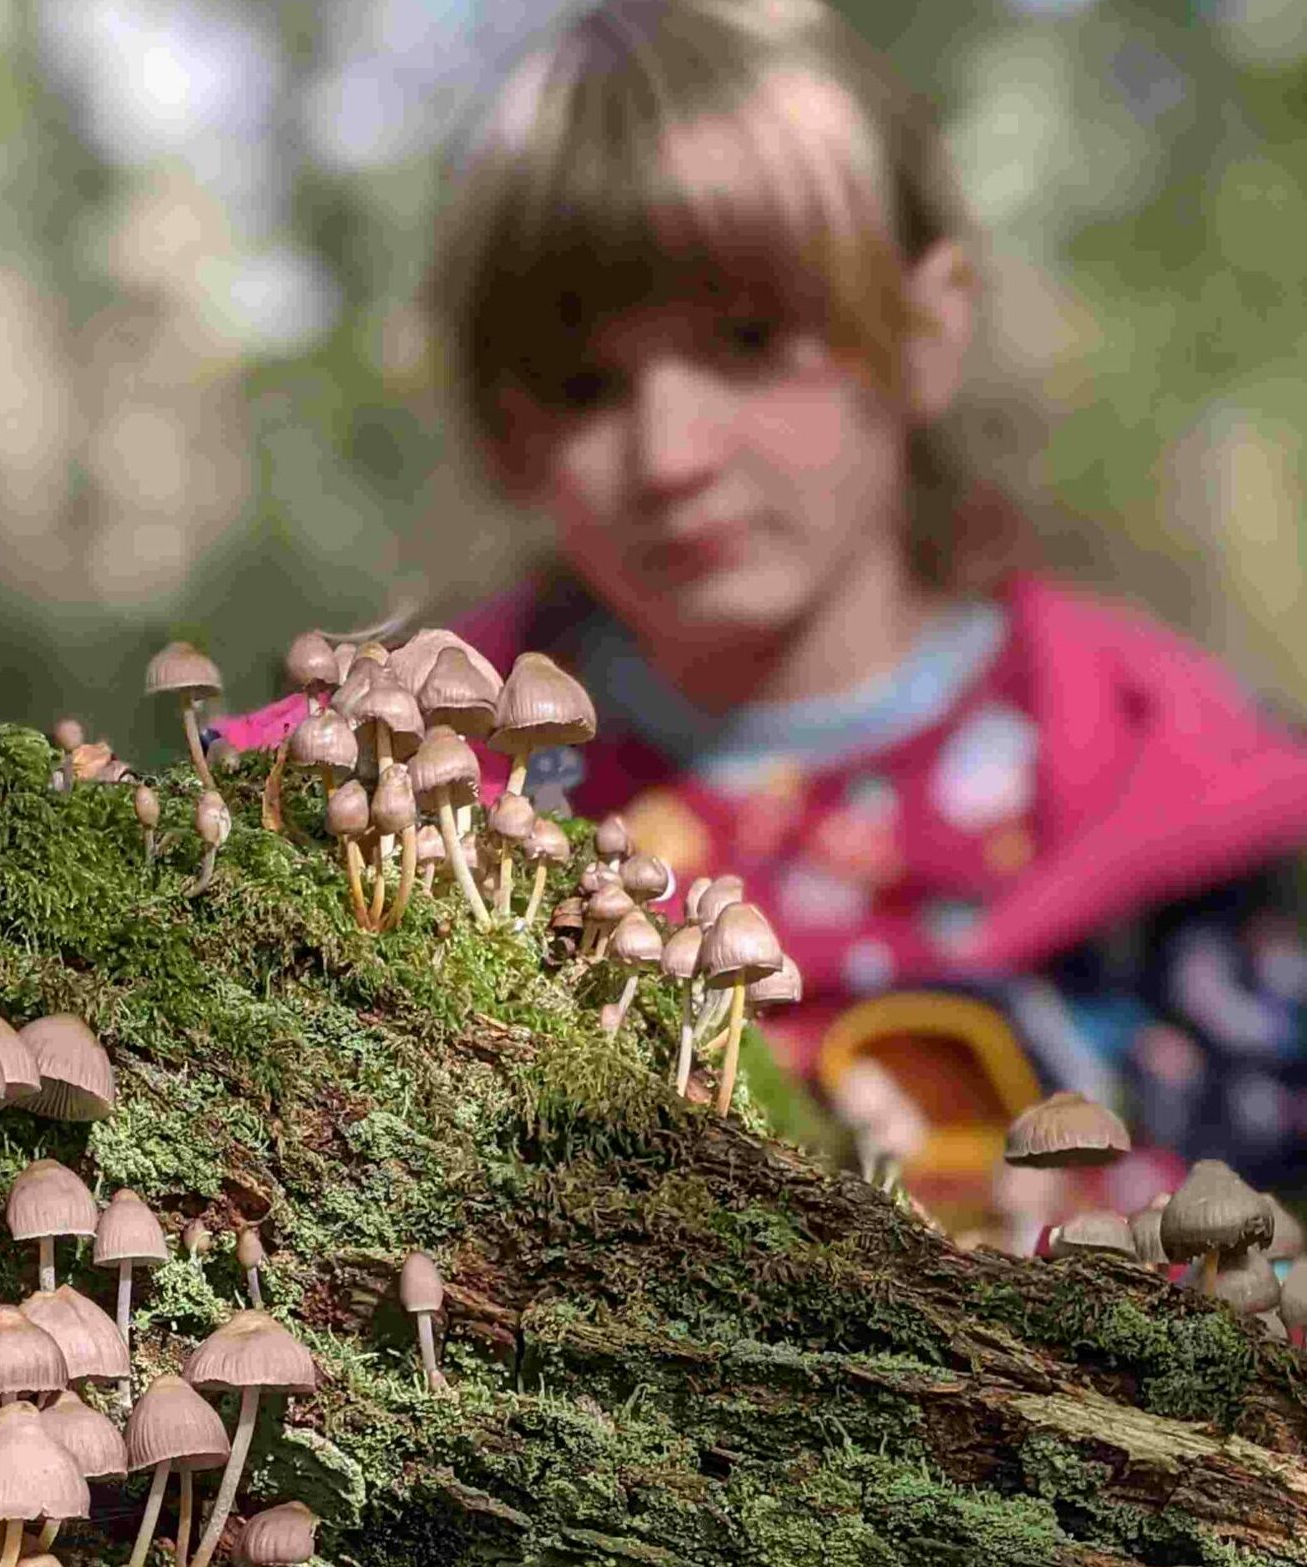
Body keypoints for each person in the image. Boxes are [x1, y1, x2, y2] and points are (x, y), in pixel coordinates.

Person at [217, 0, 1307, 1244]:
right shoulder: (439, 776)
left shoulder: (1159, 787)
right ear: (511, 434)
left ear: (925, 328)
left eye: (746, 341)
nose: (670, 455)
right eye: (583, 384)